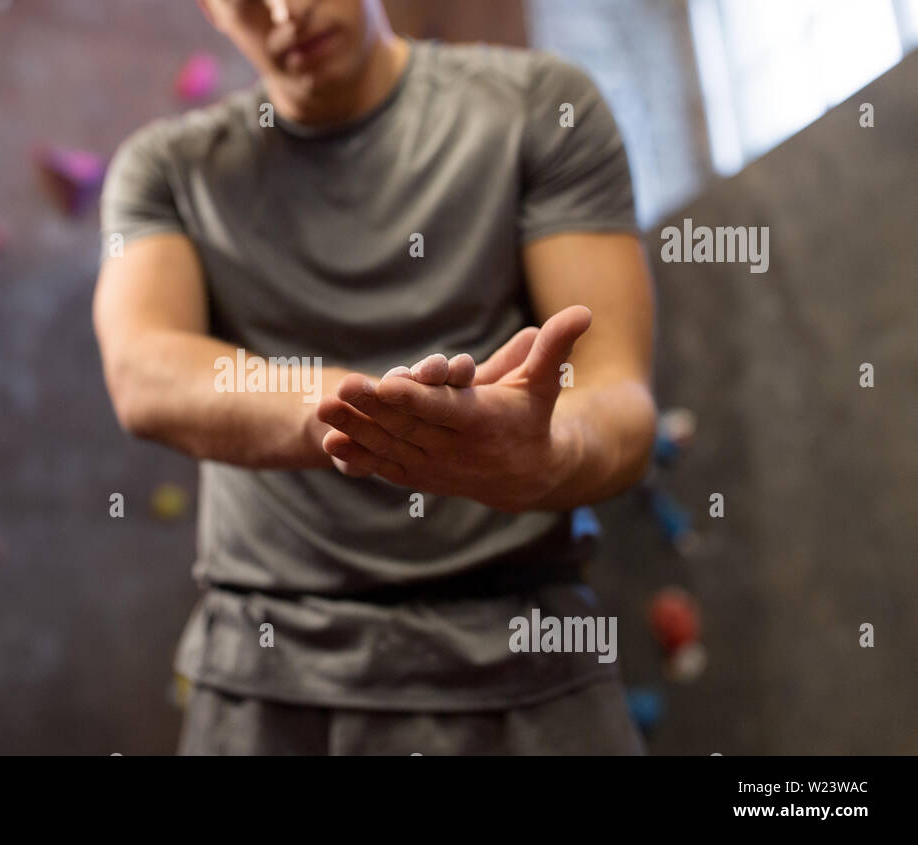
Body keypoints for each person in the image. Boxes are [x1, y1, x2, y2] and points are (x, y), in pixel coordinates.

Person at [93, 0, 656, 754]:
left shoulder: (540, 107)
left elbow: (616, 390)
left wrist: (550, 456)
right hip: (267, 670)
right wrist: (375, 421)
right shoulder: (166, 169)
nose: (287, 12)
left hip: (528, 652)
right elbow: (145, 371)